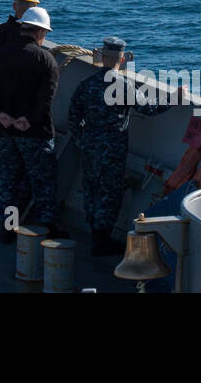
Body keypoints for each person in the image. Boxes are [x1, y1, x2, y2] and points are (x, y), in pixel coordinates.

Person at [67, 36, 178, 256]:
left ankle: (94, 234)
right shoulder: (124, 85)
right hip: (112, 151)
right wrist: (174, 99)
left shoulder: (86, 84)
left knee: (91, 189)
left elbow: (73, 117)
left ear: (102, 57)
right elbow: (149, 109)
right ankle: (102, 241)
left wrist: (84, 139)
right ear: (123, 59)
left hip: (89, 147)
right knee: (110, 193)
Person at [0, 6, 65, 242]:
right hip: (34, 132)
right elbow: (45, 98)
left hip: (3, 130)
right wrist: (27, 119)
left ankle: (8, 227)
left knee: (7, 178)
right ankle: (46, 225)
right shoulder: (46, 60)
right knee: (42, 179)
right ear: (39, 32)